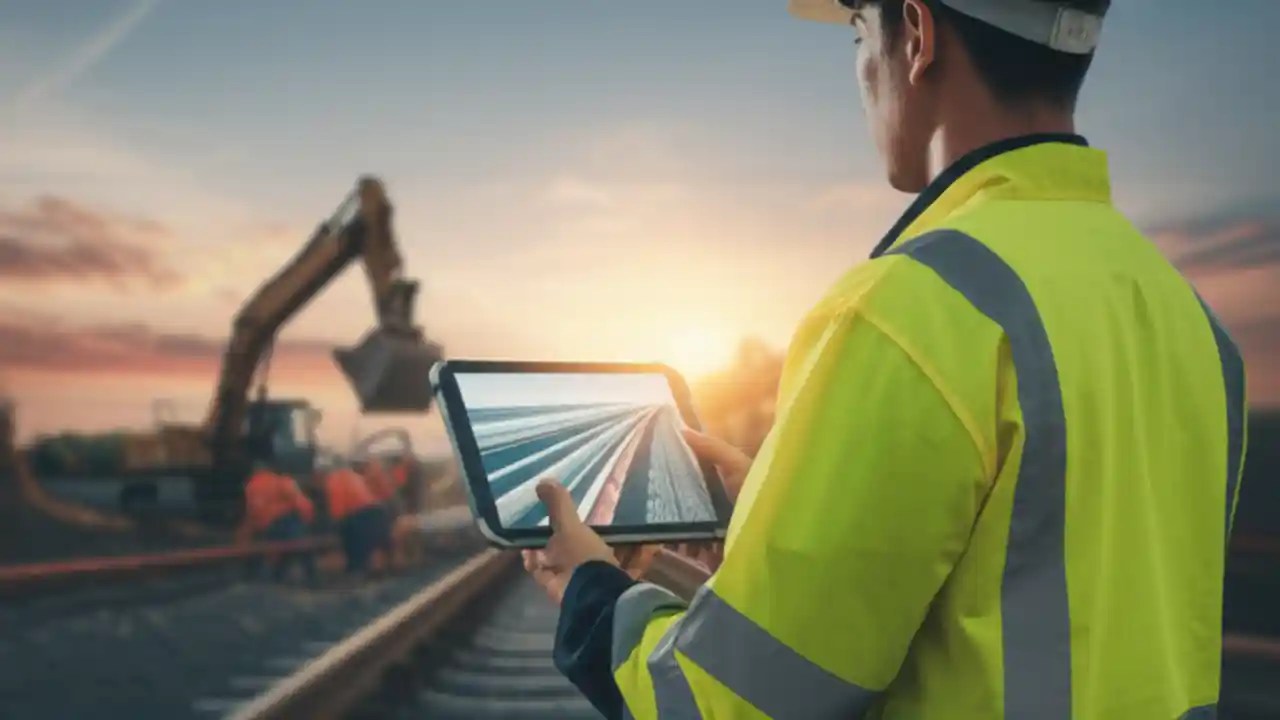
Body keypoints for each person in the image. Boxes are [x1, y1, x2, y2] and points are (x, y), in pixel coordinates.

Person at [522, 1, 1248, 718]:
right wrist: (787, 522)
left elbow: (723, 707)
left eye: (858, 30)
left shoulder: (910, 311)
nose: (861, 66)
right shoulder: (1190, 323)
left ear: (918, 36)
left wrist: (592, 590)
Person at [241, 461, 317, 583]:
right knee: (303, 547)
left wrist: (251, 530)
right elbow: (299, 502)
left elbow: (252, 511)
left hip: (267, 526)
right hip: (285, 521)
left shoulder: (250, 487)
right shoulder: (279, 481)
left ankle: (274, 579)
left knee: (276, 553)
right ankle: (311, 577)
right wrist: (307, 518)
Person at [324, 459, 392, 575]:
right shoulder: (355, 476)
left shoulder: (334, 479)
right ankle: (374, 568)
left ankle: (356, 568)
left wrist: (335, 522)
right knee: (373, 543)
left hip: (363, 514)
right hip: (378, 511)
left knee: (350, 538)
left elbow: (338, 506)